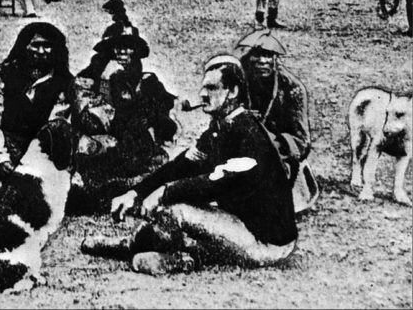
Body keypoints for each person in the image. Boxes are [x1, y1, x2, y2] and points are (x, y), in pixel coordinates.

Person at [81, 55, 297, 276]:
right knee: (174, 205)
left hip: (268, 243)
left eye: (212, 88)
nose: (203, 94)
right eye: (204, 88)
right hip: (241, 222)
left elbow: (217, 181)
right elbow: (182, 165)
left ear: (233, 92)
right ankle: (156, 250)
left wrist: (165, 192)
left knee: (176, 210)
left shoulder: (249, 134)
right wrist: (136, 192)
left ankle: (171, 257)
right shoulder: (220, 128)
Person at [0, 22, 73, 208]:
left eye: (47, 46)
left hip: (42, 153)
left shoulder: (63, 82)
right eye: (35, 45)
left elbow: (55, 128)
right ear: (24, 46)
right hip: (8, 146)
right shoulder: (2, 75)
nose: (41, 51)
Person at [70, 33, 178, 213]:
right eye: (117, 47)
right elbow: (93, 119)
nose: (122, 52)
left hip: (136, 151)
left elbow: (164, 118)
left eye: (128, 47)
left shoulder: (147, 81)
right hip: (102, 149)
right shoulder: (90, 81)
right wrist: (107, 82)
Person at [236, 31, 318, 215]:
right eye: (257, 55)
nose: (262, 61)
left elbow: (302, 141)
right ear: (249, 57)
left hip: (278, 152)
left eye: (267, 55)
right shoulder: (237, 80)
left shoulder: (292, 88)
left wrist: (272, 142)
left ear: (275, 59)